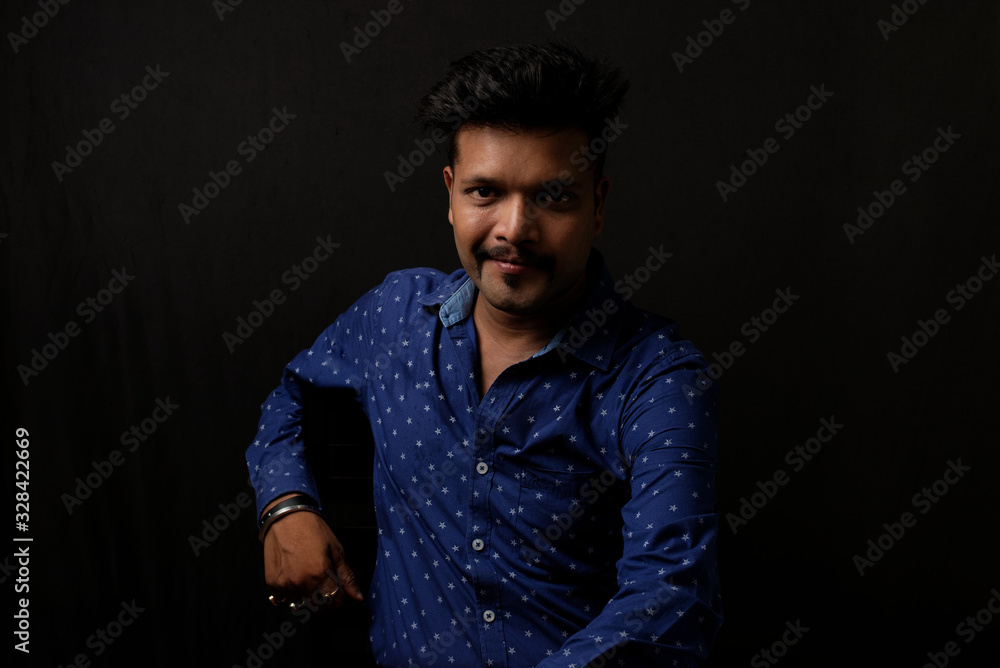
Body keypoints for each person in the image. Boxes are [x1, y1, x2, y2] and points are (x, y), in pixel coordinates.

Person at [247, 41, 722, 667]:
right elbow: (291, 397)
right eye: (484, 193)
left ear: (598, 205)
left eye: (553, 197)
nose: (513, 229)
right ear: (450, 194)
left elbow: (671, 600)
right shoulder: (394, 317)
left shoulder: (658, 380)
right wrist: (286, 507)